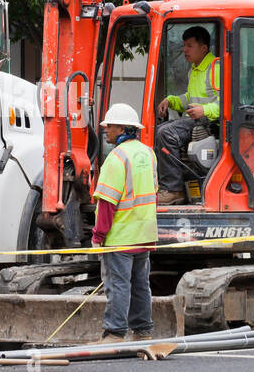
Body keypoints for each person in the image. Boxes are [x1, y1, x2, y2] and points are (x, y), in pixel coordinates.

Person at [92, 103, 158, 341]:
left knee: (118, 285)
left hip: (121, 236)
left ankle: (115, 332)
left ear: (121, 128)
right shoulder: (148, 153)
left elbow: (108, 203)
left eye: (109, 126)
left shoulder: (116, 158)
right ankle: (142, 331)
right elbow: (153, 192)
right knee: (140, 285)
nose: (106, 130)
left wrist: (98, 236)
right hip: (144, 233)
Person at [154, 26, 220, 205]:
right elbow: (190, 98)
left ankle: (174, 190)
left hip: (211, 123)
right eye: (184, 45)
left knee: (165, 134)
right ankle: (166, 184)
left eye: (189, 45)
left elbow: (226, 102)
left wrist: (204, 110)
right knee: (156, 130)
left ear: (203, 48)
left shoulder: (215, 68)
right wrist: (170, 100)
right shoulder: (195, 69)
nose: (184, 50)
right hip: (197, 119)